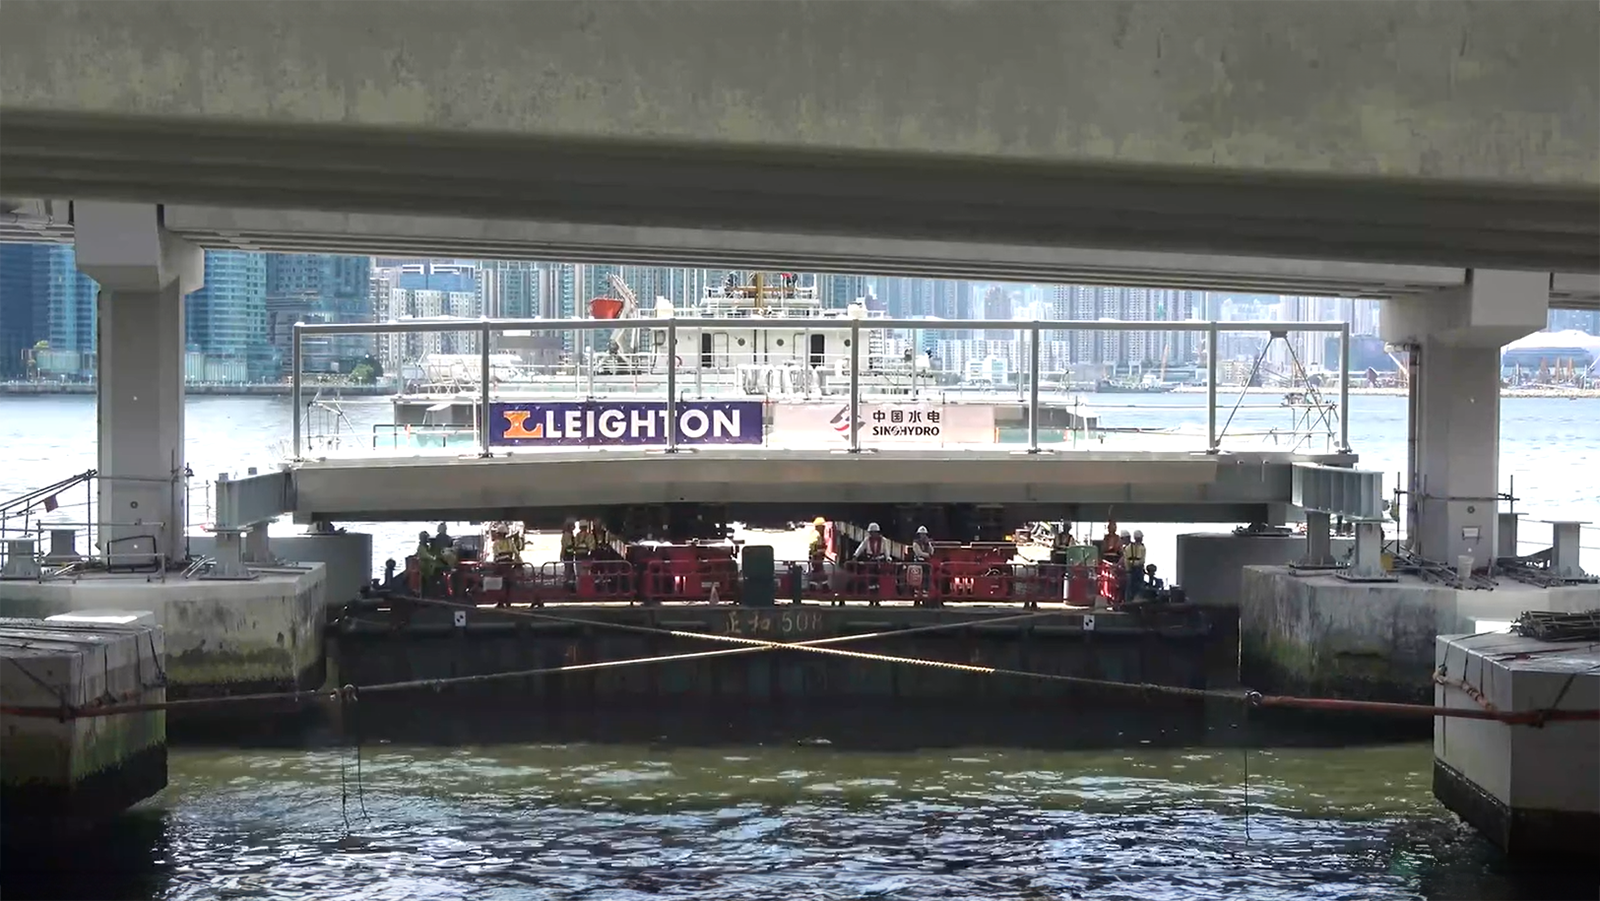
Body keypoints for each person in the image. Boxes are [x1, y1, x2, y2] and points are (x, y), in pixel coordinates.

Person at [907, 525, 935, 598]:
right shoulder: (915, 543)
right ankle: (916, 596)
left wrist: (929, 544)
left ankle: (925, 593)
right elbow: (919, 553)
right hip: (918, 563)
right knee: (917, 580)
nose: (923, 536)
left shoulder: (927, 543)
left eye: (924, 534)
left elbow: (932, 551)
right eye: (922, 534)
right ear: (919, 535)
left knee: (926, 578)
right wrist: (928, 555)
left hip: (925, 564)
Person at [1124, 529, 1148, 601]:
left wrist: (1127, 570)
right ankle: (1137, 599)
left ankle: (1128, 601)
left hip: (1130, 570)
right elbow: (1142, 560)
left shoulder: (1128, 548)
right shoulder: (1142, 548)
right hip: (1138, 570)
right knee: (1139, 587)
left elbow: (1126, 561)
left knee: (1130, 587)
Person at [807, 517, 829, 589]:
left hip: (816, 556)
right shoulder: (817, 535)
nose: (824, 528)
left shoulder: (815, 533)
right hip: (817, 557)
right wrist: (822, 550)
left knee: (817, 572)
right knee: (819, 572)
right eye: (822, 526)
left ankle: (814, 586)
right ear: (818, 527)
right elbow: (817, 547)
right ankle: (823, 587)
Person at [560, 520, 578, 589]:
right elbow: (565, 546)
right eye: (572, 525)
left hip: (569, 554)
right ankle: (567, 584)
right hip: (568, 554)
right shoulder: (567, 535)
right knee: (568, 569)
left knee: (570, 569)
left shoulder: (569, 534)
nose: (574, 527)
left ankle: (570, 583)